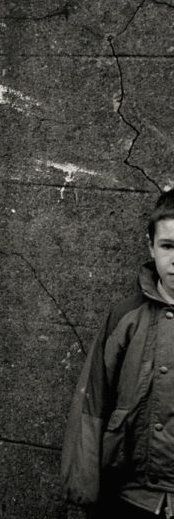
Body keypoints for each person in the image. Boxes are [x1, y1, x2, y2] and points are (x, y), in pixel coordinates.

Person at [63, 190, 174, 519]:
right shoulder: (124, 317)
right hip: (131, 497)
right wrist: (82, 495)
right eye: (168, 247)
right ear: (150, 246)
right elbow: (91, 405)